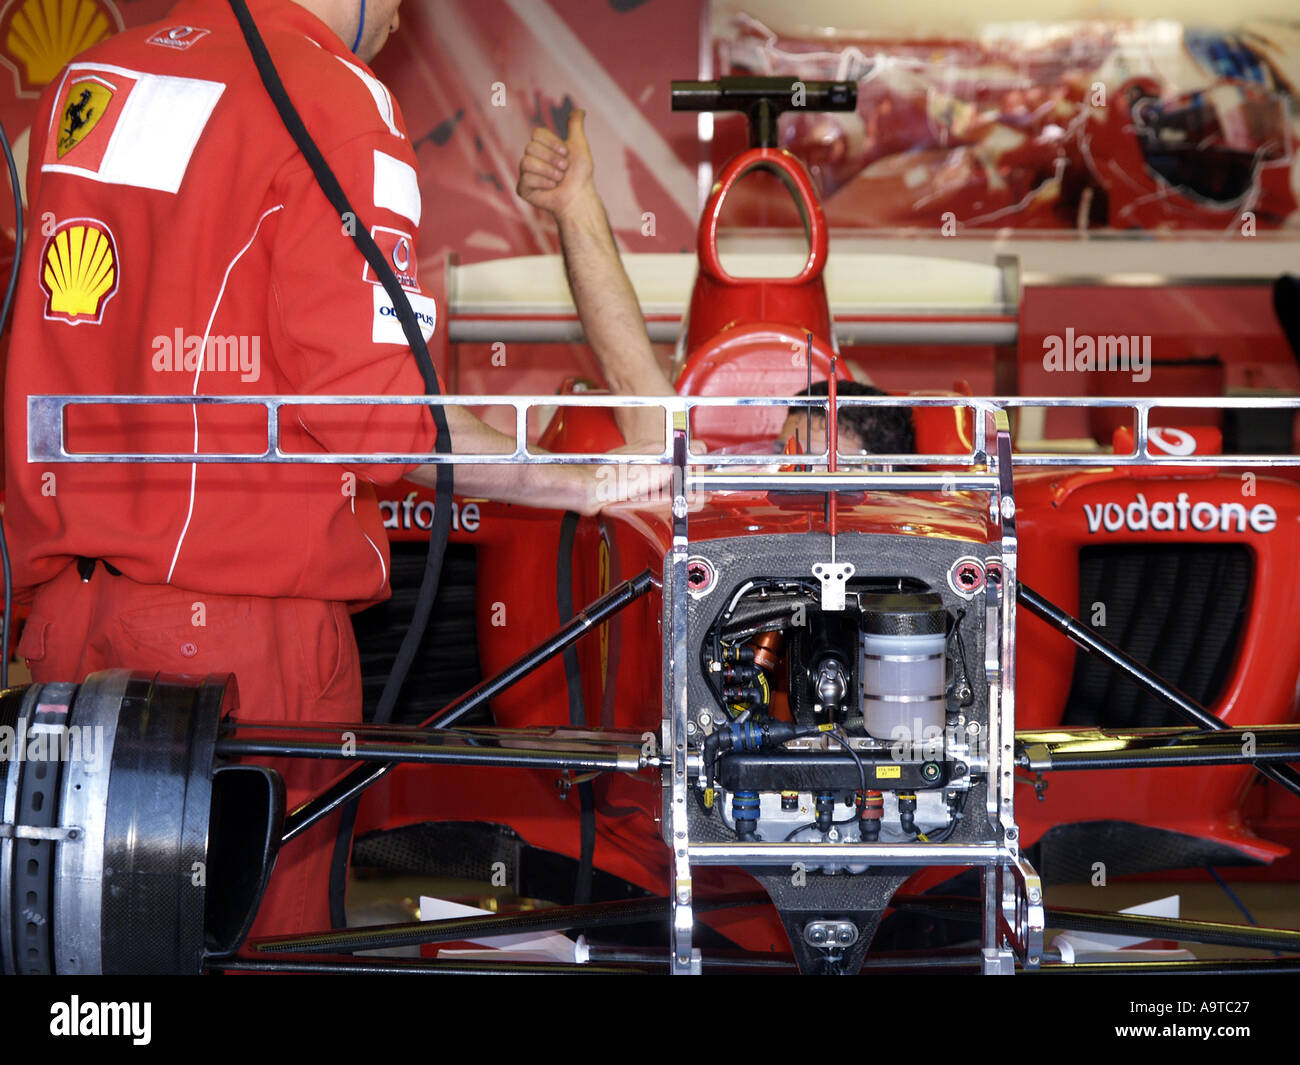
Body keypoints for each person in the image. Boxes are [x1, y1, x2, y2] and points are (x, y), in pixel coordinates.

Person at [3, 0, 668, 942]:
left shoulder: (93, 82)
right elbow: (377, 418)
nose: (399, 20)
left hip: (65, 628)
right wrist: (575, 482)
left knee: (85, 970)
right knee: (265, 952)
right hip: (242, 653)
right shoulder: (335, 97)